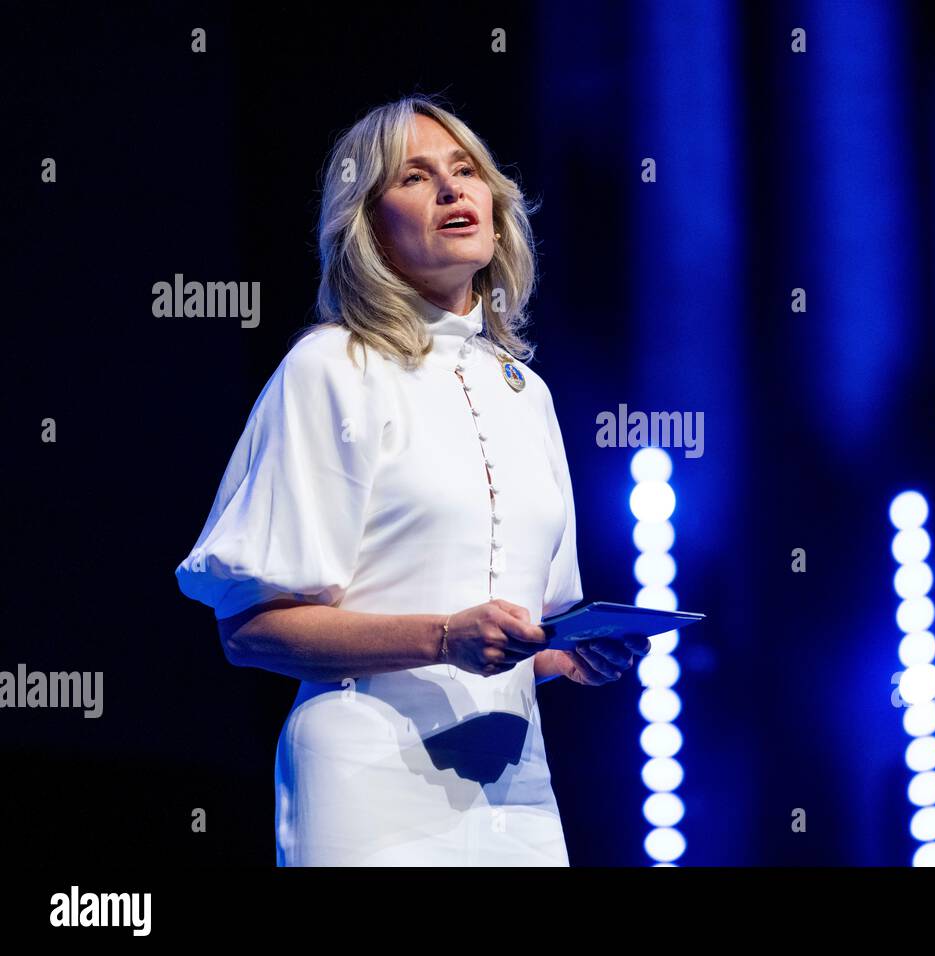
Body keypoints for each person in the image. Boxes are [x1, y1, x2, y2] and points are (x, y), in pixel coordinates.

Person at [175, 93, 648, 865]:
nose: (453, 189)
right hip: (367, 785)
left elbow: (534, 629)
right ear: (368, 226)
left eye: (465, 171)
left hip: (517, 793)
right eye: (416, 177)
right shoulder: (330, 368)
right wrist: (440, 636)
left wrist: (570, 653)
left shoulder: (526, 394)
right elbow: (250, 629)